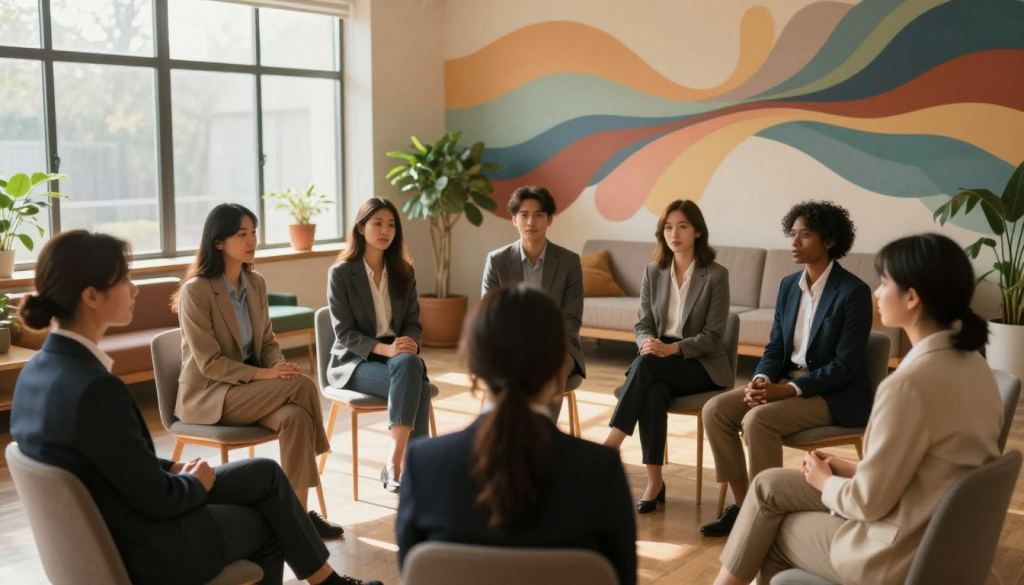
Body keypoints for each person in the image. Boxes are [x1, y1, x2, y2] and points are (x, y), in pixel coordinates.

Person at [10, 230, 379, 585]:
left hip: (112, 529)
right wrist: (191, 482)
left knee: (265, 474)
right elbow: (158, 499)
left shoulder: (36, 374)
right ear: (92, 296)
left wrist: (172, 467)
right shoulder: (96, 390)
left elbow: (110, 459)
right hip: (148, 546)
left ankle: (328, 582)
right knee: (269, 520)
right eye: (124, 279)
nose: (134, 288)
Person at [713, 233, 1003, 584]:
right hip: (937, 532)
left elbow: (868, 504)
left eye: (884, 283)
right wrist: (851, 468)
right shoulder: (978, 369)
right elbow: (930, 466)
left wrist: (825, 481)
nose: (877, 293)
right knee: (768, 486)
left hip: (899, 550)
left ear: (912, 298)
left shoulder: (907, 385)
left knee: (771, 527)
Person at [396, 285, 637, 585]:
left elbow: (412, 572)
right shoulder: (601, 470)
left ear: (472, 367)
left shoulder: (424, 466)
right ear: (559, 367)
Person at [701, 200, 873, 537]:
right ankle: (746, 504)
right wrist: (762, 379)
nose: (794, 242)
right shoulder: (787, 286)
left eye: (805, 235)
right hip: (786, 382)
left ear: (830, 241)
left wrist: (788, 390)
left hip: (836, 393)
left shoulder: (853, 292)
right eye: (792, 234)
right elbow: (776, 348)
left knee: (757, 421)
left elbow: (845, 366)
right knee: (715, 410)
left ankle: (768, 513)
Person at [172, 204, 341, 538]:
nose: (252, 240)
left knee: (295, 418)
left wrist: (276, 364)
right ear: (218, 242)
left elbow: (266, 342)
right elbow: (210, 363)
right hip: (210, 395)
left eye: (253, 232)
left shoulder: (256, 283)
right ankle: (322, 450)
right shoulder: (197, 290)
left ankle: (297, 519)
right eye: (242, 234)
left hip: (250, 392)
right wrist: (268, 376)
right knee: (302, 386)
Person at [602, 200, 731, 513]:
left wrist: (672, 349)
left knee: (647, 368)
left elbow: (713, 337)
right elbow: (643, 324)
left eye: (683, 226)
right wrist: (648, 342)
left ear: (697, 231)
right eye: (669, 227)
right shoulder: (654, 271)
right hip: (658, 360)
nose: (675, 233)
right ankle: (654, 481)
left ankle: (609, 447)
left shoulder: (715, 275)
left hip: (699, 363)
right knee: (654, 390)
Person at [326, 197, 432, 493]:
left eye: (391, 225)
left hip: (397, 357)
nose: (385, 231)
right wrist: (386, 350)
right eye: (377, 223)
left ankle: (395, 463)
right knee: (417, 384)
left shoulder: (403, 270)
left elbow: (413, 322)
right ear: (361, 228)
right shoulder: (342, 273)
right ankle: (407, 465)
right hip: (355, 361)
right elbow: (344, 332)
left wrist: (409, 343)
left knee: (411, 365)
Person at [481, 185, 585, 419]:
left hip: (559, 348)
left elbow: (572, 318)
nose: (531, 221)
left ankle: (542, 441)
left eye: (538, 215)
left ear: (549, 220)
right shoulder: (497, 261)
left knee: (551, 370)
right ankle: (498, 440)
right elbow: (491, 315)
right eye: (524, 215)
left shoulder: (569, 262)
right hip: (509, 347)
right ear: (514, 220)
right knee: (504, 373)